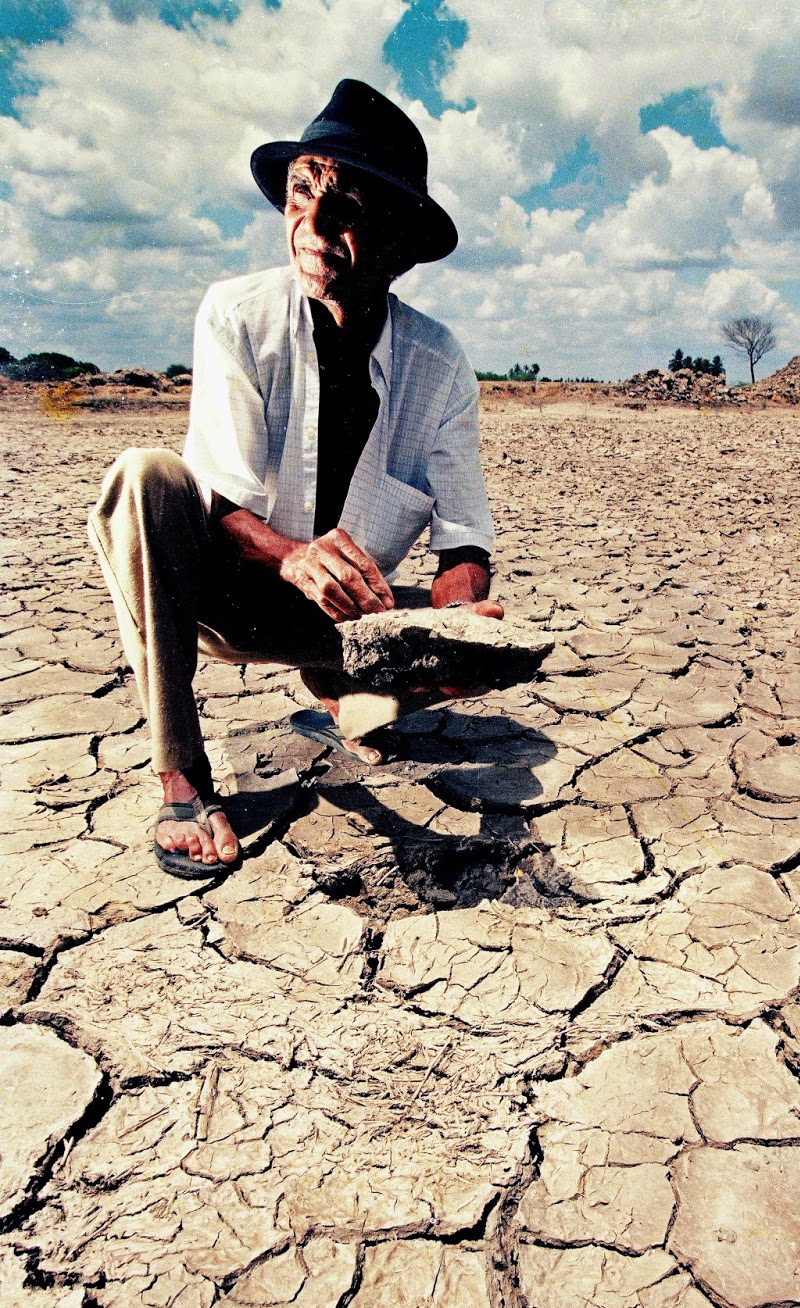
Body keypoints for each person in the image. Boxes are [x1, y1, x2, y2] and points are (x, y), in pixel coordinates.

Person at [89, 79, 501, 880]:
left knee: (472, 643)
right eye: (298, 197)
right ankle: (180, 775)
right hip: (221, 595)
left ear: (399, 243)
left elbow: (463, 540)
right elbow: (216, 494)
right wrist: (289, 555)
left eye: (341, 206)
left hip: (346, 617)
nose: (309, 228)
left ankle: (342, 692)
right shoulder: (236, 316)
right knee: (144, 477)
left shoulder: (438, 361)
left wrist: (461, 620)